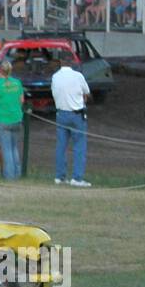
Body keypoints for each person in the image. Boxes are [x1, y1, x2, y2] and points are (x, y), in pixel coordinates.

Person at [51, 52, 91, 187]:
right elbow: (86, 93)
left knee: (61, 146)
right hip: (76, 114)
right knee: (79, 146)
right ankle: (77, 178)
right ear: (72, 61)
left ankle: (60, 176)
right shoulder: (78, 76)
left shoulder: (55, 77)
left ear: (60, 61)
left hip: (61, 113)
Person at [0, 59, 25, 180]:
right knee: (14, 148)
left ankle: (9, 176)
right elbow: (21, 100)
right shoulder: (17, 83)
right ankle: (17, 174)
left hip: (3, 119)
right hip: (16, 118)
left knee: (6, 149)